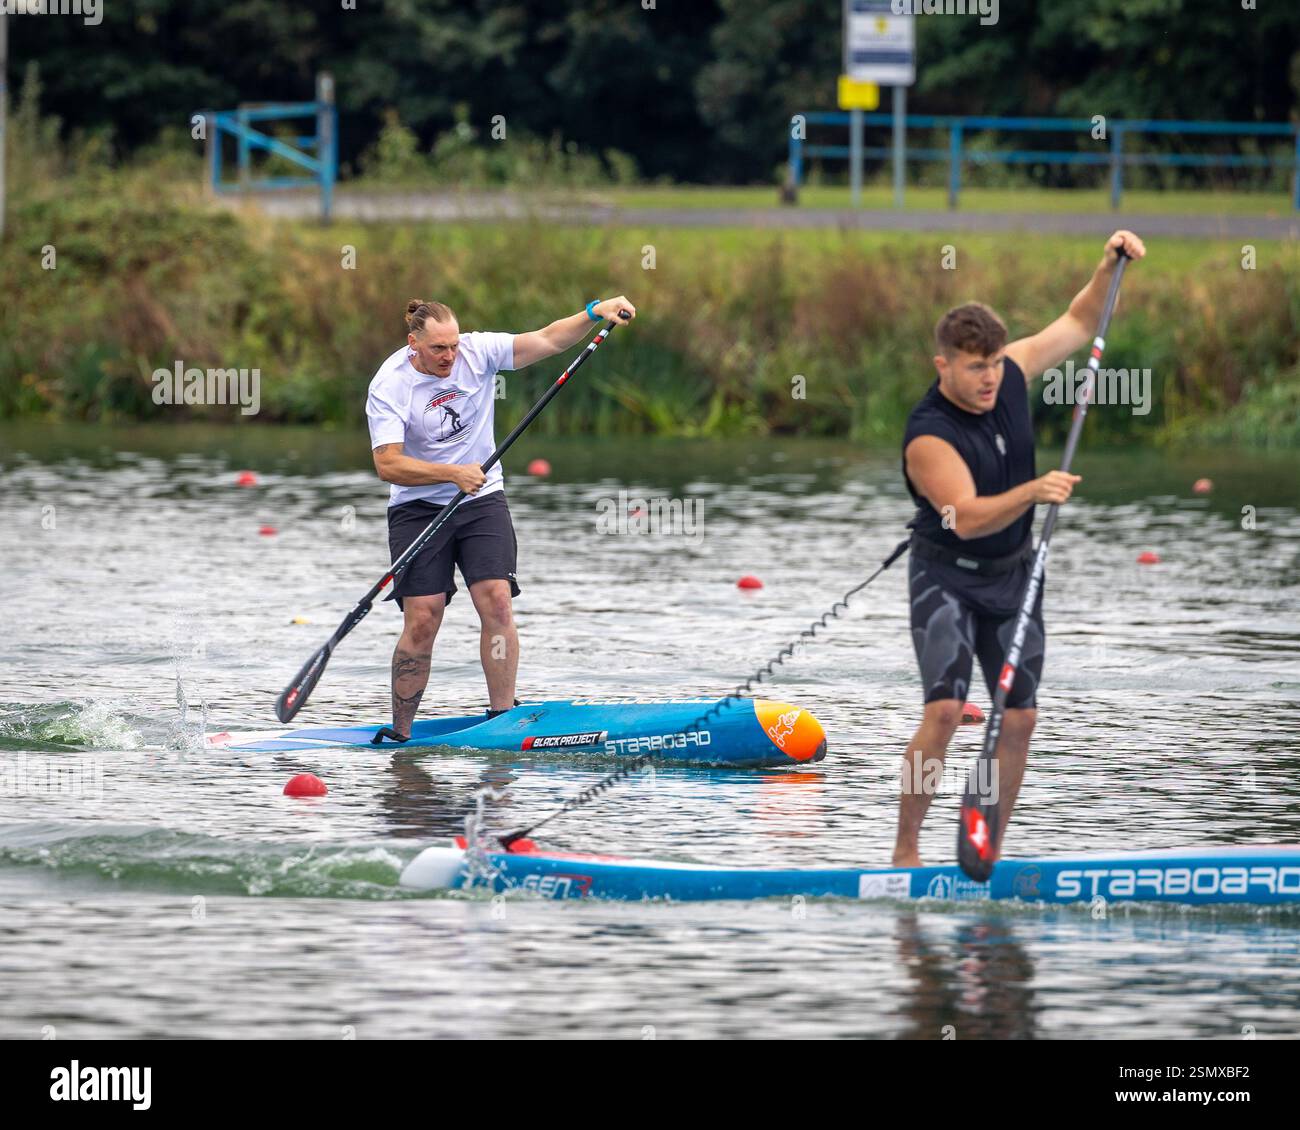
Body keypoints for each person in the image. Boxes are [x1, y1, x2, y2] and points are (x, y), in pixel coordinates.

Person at [895, 232, 1145, 866]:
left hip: (1013, 578)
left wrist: (1108, 262)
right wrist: (1036, 490)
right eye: (974, 366)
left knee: (1018, 721)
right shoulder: (930, 436)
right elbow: (967, 518)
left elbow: (1079, 319)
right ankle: (906, 853)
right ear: (943, 365)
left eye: (995, 363)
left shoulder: (1009, 373)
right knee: (948, 710)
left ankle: (986, 851)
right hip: (946, 576)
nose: (989, 378)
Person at [366, 295, 637, 739]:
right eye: (438, 349)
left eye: (453, 345)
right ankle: (400, 734)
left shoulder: (478, 351)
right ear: (413, 343)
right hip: (416, 507)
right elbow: (388, 465)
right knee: (423, 617)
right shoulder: (389, 385)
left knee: (495, 599)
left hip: (481, 500)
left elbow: (548, 339)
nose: (450, 356)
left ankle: (502, 718)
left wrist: (593, 312)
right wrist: (451, 473)